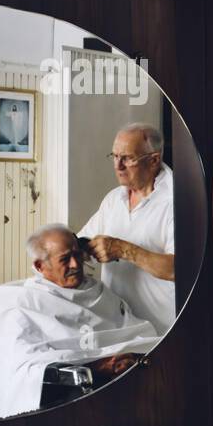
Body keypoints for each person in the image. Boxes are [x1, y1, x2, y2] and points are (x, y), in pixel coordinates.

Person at [0, 225, 158, 422]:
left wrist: (126, 355)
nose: (75, 265)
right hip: (66, 397)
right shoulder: (21, 303)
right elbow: (29, 367)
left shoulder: (99, 292)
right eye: (64, 259)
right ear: (39, 266)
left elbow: (134, 331)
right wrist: (98, 366)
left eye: (77, 255)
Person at [80, 122, 176, 335]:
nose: (118, 165)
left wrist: (123, 249)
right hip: (119, 328)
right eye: (114, 156)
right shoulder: (114, 198)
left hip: (162, 330)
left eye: (127, 158)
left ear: (154, 160)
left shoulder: (176, 200)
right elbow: (84, 240)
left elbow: (178, 268)